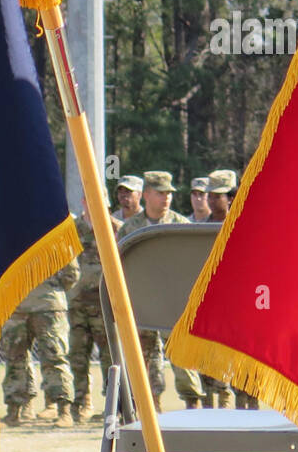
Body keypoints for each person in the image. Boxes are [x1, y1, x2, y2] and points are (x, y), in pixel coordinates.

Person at [119, 171, 193, 409]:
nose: (167, 198)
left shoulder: (181, 225)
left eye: (169, 194)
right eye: (161, 193)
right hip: (142, 302)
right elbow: (120, 264)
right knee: (143, 355)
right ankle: (150, 404)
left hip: (174, 302)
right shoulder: (129, 228)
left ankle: (192, 402)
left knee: (181, 353)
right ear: (147, 195)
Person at [1, 225, 80, 426]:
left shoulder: (55, 229)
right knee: (15, 358)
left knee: (54, 357)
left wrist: (48, 288)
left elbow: (71, 273)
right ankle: (16, 411)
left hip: (48, 306)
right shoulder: (6, 230)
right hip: (17, 305)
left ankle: (64, 411)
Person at [68, 200, 119, 423]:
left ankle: (113, 406)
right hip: (78, 304)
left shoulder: (115, 228)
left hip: (104, 306)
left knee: (110, 358)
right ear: (84, 202)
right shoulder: (73, 229)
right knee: (78, 355)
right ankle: (81, 404)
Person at [197, 169, 242, 408]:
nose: (213, 200)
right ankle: (211, 404)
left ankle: (245, 405)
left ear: (231, 197)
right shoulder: (198, 227)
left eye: (219, 196)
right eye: (210, 196)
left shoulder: (243, 224)